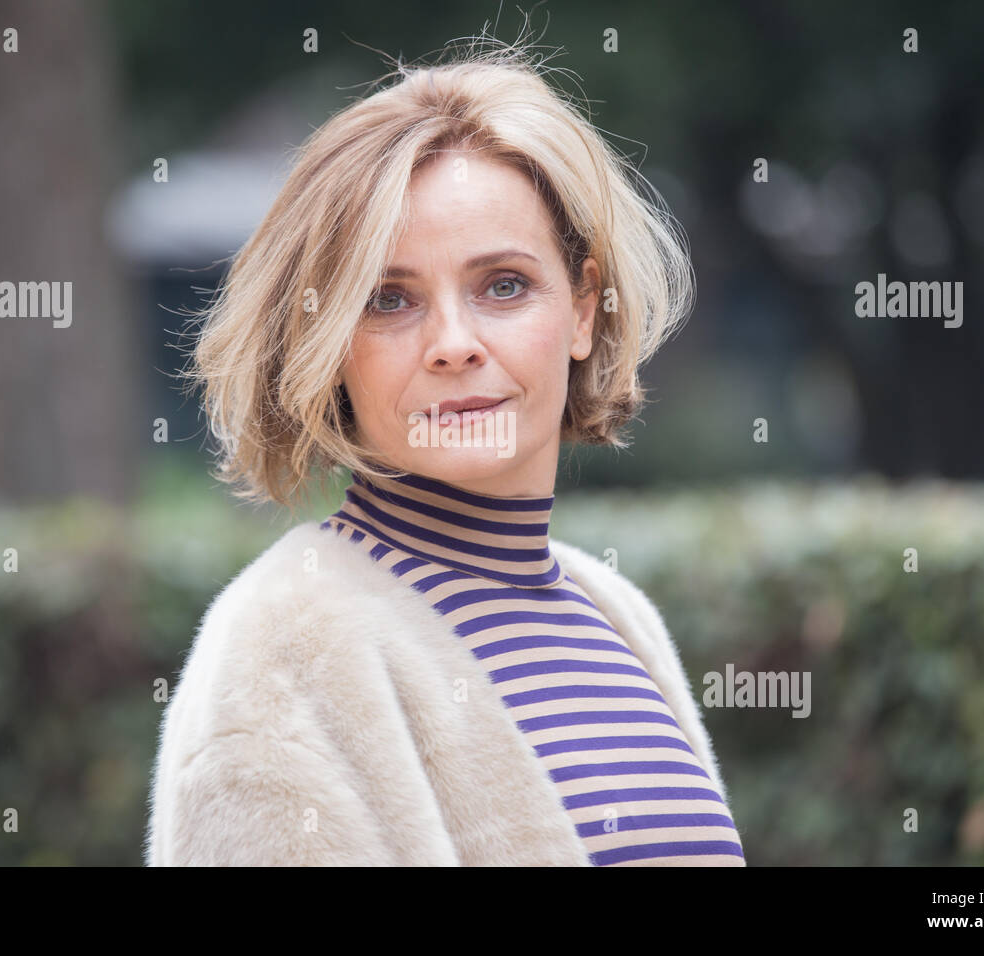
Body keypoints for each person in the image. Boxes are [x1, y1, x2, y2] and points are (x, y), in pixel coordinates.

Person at [144, 39, 745, 866]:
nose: (453, 344)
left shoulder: (614, 614)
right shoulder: (282, 649)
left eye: (503, 284)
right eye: (389, 300)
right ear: (327, 343)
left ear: (581, 310)